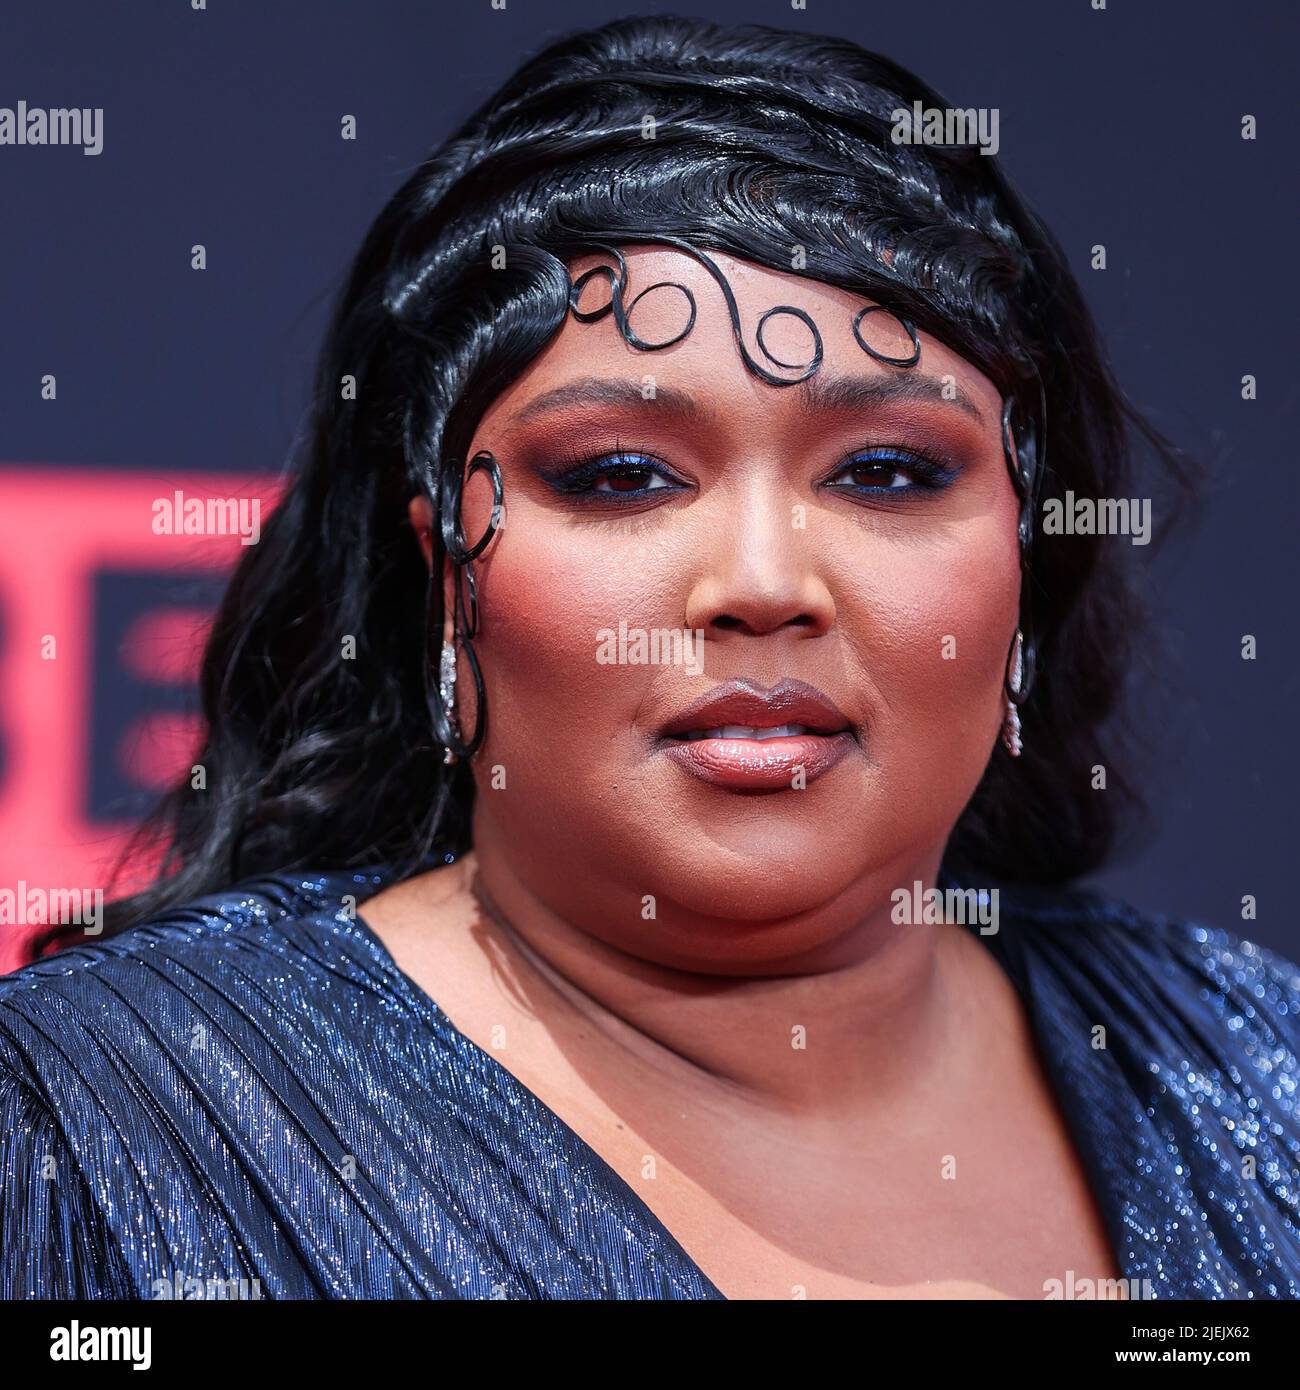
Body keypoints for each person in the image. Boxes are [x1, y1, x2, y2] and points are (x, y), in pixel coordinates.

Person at [3, 15, 1297, 1301]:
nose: (764, 585)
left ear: (1028, 557)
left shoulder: (1255, 1076)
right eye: (622, 475)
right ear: (447, 575)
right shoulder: (99, 1139)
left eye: (888, 472)